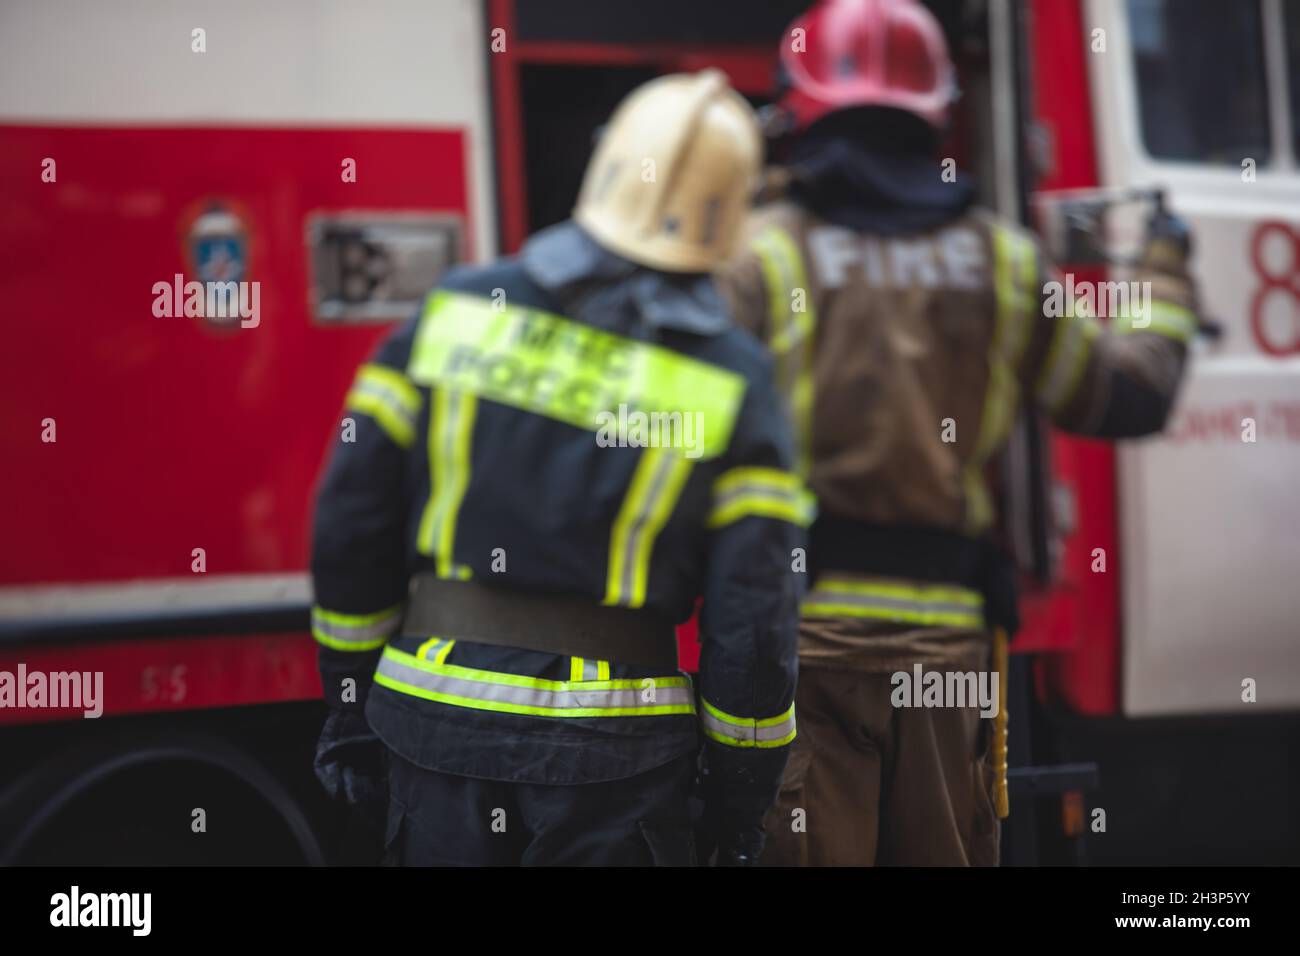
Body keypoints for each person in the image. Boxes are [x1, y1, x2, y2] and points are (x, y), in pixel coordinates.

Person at [718, 0, 1199, 866]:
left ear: (800, 107)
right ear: (936, 111)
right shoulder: (1003, 261)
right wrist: (1164, 279)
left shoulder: (760, 256)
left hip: (802, 654)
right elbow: (1126, 399)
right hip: (947, 662)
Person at [310, 70, 807, 866]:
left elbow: (350, 527)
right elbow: (755, 621)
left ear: (603, 167)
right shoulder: (732, 379)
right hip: (618, 768)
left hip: (431, 733)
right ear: (733, 211)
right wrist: (738, 804)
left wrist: (348, 708)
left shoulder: (459, 311)